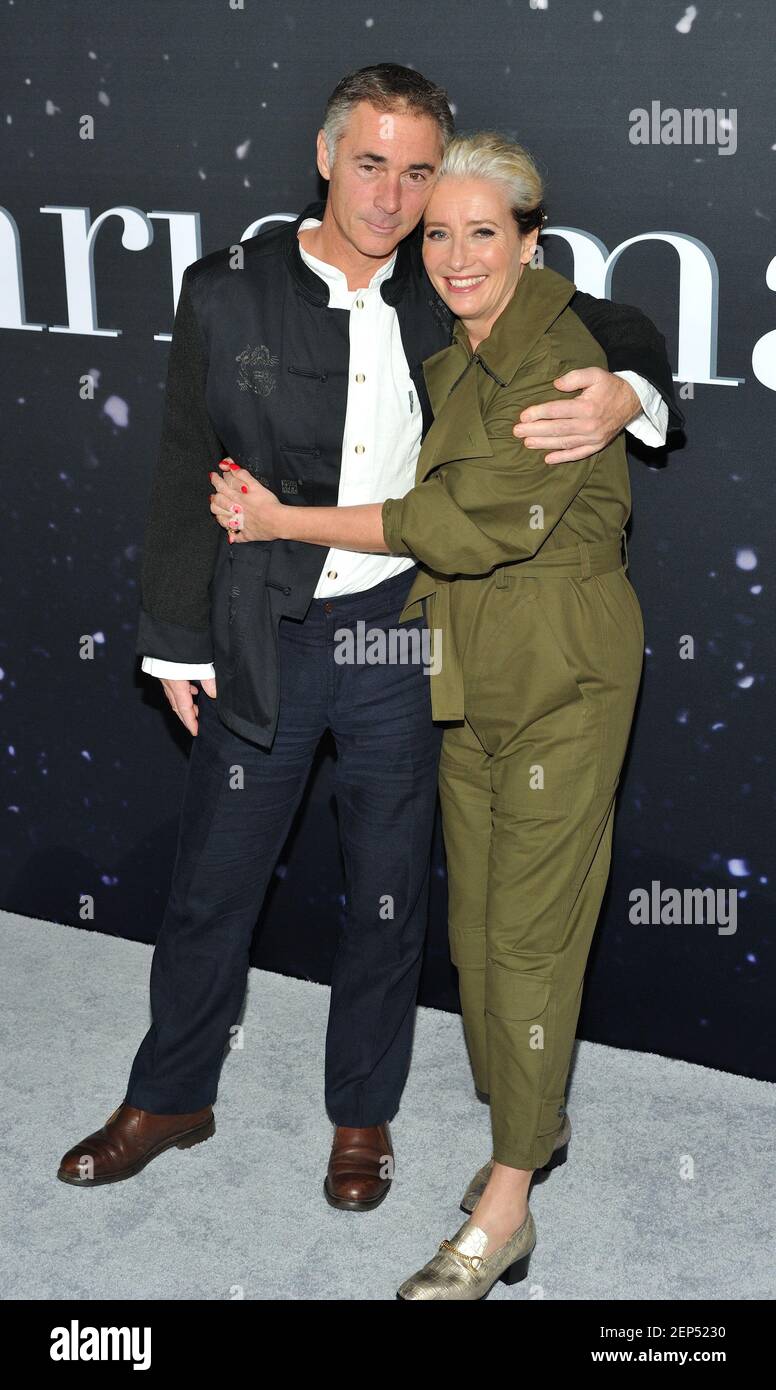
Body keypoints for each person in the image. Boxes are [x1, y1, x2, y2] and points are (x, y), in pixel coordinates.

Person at [58, 65, 679, 1212]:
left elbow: (609, 320)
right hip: (265, 630)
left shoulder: (444, 287)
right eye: (369, 164)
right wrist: (173, 639)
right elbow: (179, 462)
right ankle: (170, 1093)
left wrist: (624, 392)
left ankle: (363, 1116)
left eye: (415, 171)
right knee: (211, 882)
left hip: (401, 631)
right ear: (324, 154)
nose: (393, 196)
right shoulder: (226, 289)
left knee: (389, 891)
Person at [211, 130, 648, 1300]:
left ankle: (504, 1205)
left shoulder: (563, 362)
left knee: (526, 941)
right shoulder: (456, 351)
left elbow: (453, 524)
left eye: (481, 233)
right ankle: (530, 1128)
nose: (452, 253)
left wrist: (282, 524)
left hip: (560, 675)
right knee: (473, 943)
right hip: (454, 670)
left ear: (529, 243)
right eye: (437, 230)